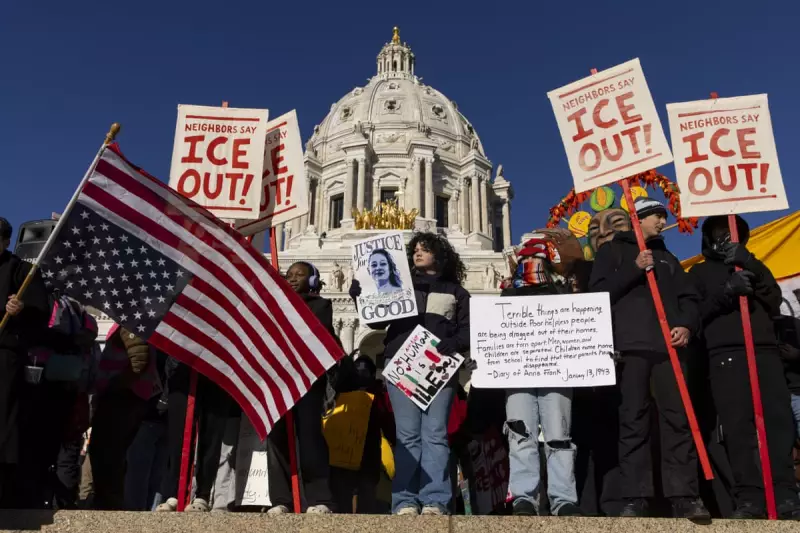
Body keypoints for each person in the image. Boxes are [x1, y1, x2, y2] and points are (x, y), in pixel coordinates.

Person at [589, 198, 709, 519]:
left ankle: (684, 495)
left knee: (677, 421)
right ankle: (635, 497)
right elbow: (598, 295)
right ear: (638, 219)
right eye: (657, 216)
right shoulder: (611, 252)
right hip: (630, 349)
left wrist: (686, 324)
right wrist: (634, 269)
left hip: (669, 350)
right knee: (633, 422)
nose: (661, 221)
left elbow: (689, 299)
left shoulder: (669, 258)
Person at [687, 215, 800, 520]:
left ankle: (785, 496)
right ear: (709, 238)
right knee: (738, 430)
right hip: (726, 356)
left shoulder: (753, 263)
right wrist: (727, 292)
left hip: (764, 353)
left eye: (732, 234)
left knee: (778, 427)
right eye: (720, 234)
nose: (726, 240)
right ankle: (749, 498)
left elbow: (774, 299)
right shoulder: (698, 273)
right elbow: (694, 317)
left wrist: (748, 262)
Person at [350, 232, 470, 515]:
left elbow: (468, 329)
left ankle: (436, 500)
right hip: (402, 361)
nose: (417, 253)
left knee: (436, 434)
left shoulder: (457, 292)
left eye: (425, 249)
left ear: (440, 256)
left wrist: (452, 344)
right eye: (415, 249)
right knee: (407, 435)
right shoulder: (398, 287)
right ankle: (404, 500)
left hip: (438, 365)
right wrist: (362, 296)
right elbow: (378, 321)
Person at [501, 236, 583, 517]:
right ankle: (524, 496)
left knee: (559, 433)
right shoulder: (508, 293)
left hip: (556, 371)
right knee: (520, 433)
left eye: (536, 260)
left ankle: (563, 498)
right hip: (517, 373)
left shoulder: (563, 293)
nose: (530, 265)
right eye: (524, 261)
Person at [266, 261, 337, 514]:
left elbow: (317, 336)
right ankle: (281, 499)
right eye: (289, 274)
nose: (293, 278)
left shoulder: (321, 306)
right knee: (277, 440)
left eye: (300, 275)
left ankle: (320, 499)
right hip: (277, 381)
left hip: (306, 382)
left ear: (313, 281)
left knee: (310, 439)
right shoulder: (273, 307)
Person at [0, 216, 49, 507]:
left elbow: (40, 314)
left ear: (6, 241)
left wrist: (21, 309)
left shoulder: (21, 271)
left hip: (5, 357)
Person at [89, 323, 161, 510]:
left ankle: (108, 501)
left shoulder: (131, 323)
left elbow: (139, 359)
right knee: (112, 453)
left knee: (107, 452)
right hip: (127, 397)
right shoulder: (133, 323)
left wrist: (117, 384)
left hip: (122, 397)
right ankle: (109, 499)